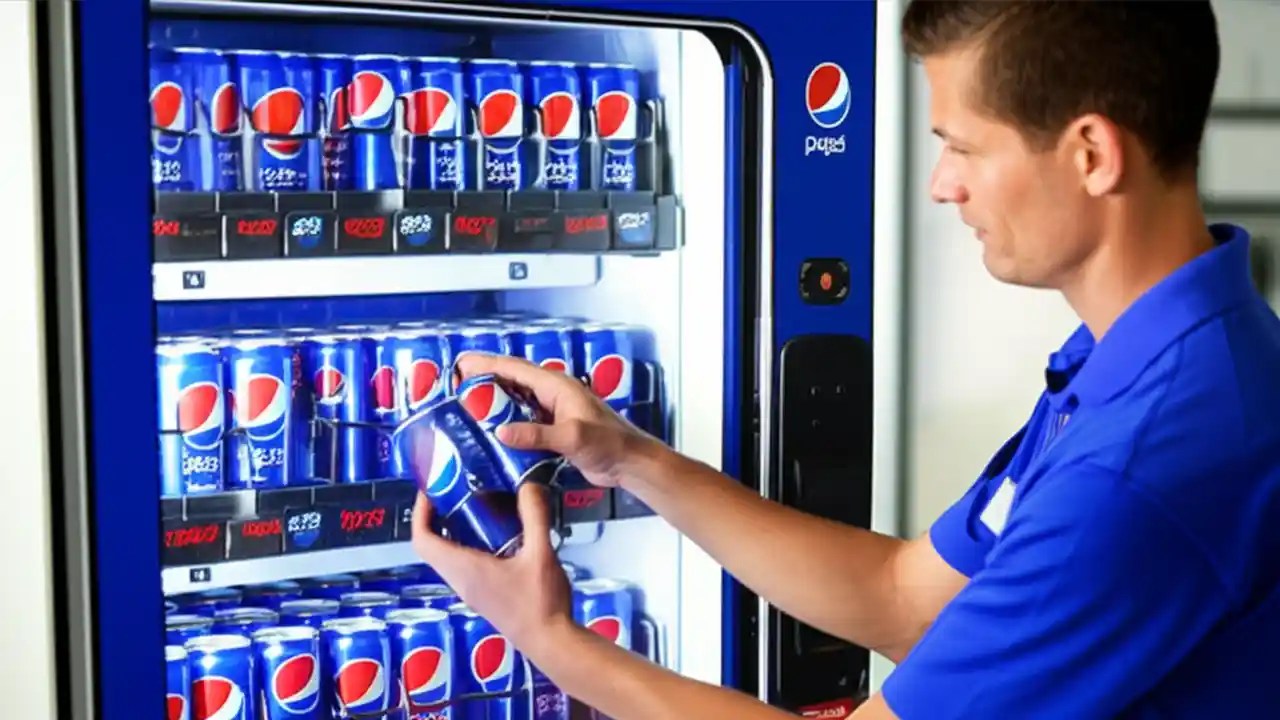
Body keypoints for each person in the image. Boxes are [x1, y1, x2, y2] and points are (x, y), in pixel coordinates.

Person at [413, 1, 1280, 717]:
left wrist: (549, 638)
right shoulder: (1157, 361)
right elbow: (907, 602)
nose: (942, 183)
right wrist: (630, 459)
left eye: (965, 146)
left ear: (1091, 154)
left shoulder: (1142, 464)